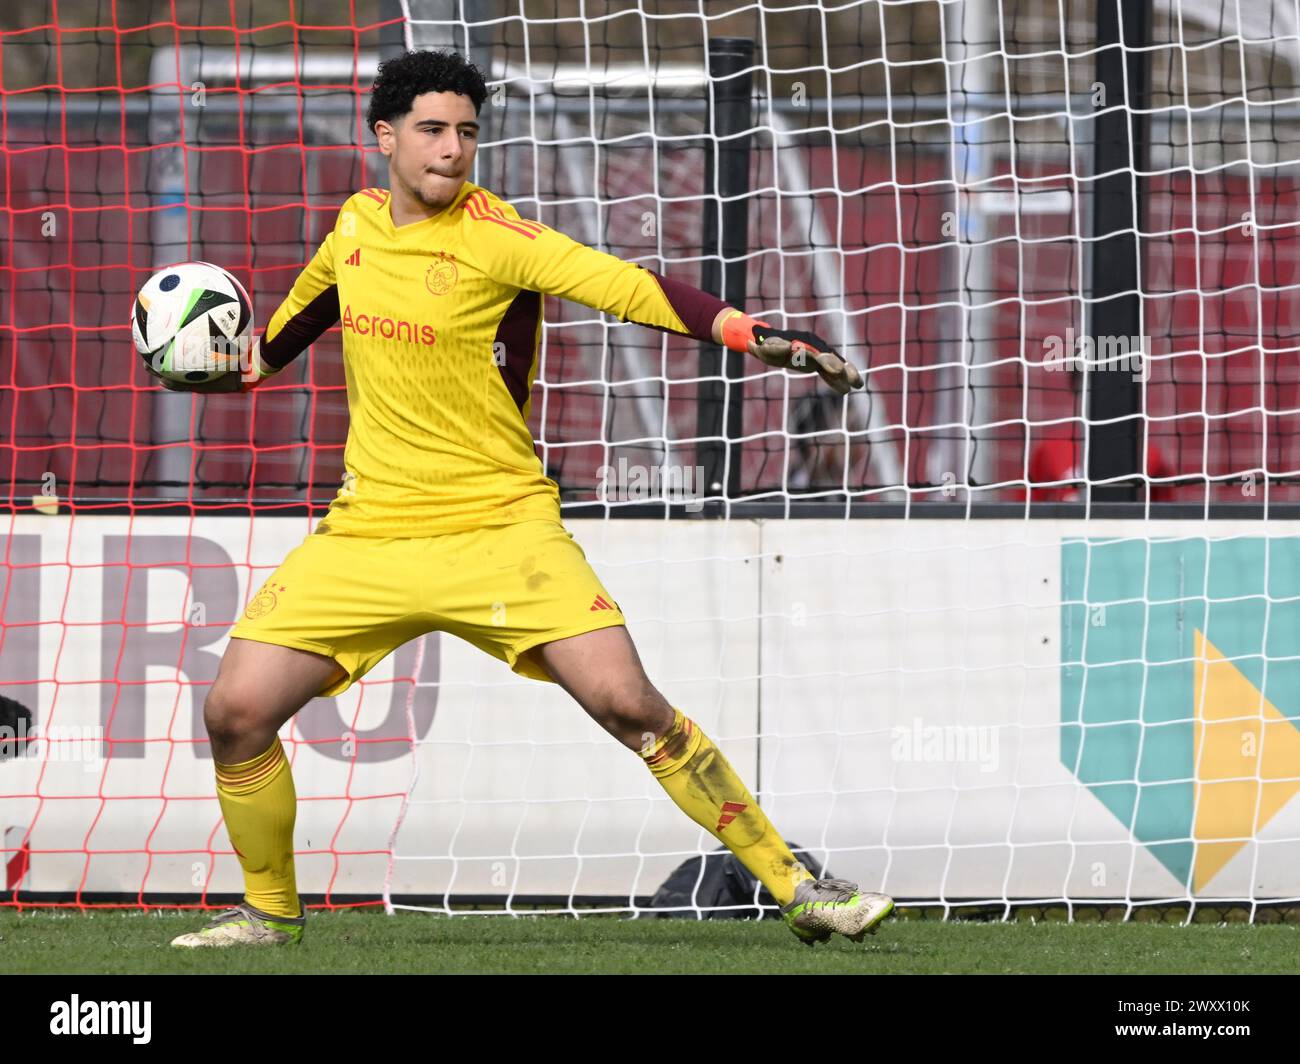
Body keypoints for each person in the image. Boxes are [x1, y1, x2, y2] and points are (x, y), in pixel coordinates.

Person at [164, 49, 891, 949]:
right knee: (235, 714)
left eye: (468, 132)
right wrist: (192, 360)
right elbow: (264, 356)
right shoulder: (350, 233)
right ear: (385, 137)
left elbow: (625, 284)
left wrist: (748, 332)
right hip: (370, 536)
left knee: (632, 707)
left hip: (501, 529)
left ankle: (799, 885)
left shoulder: (498, 235)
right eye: (432, 130)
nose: (453, 149)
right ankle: (270, 913)